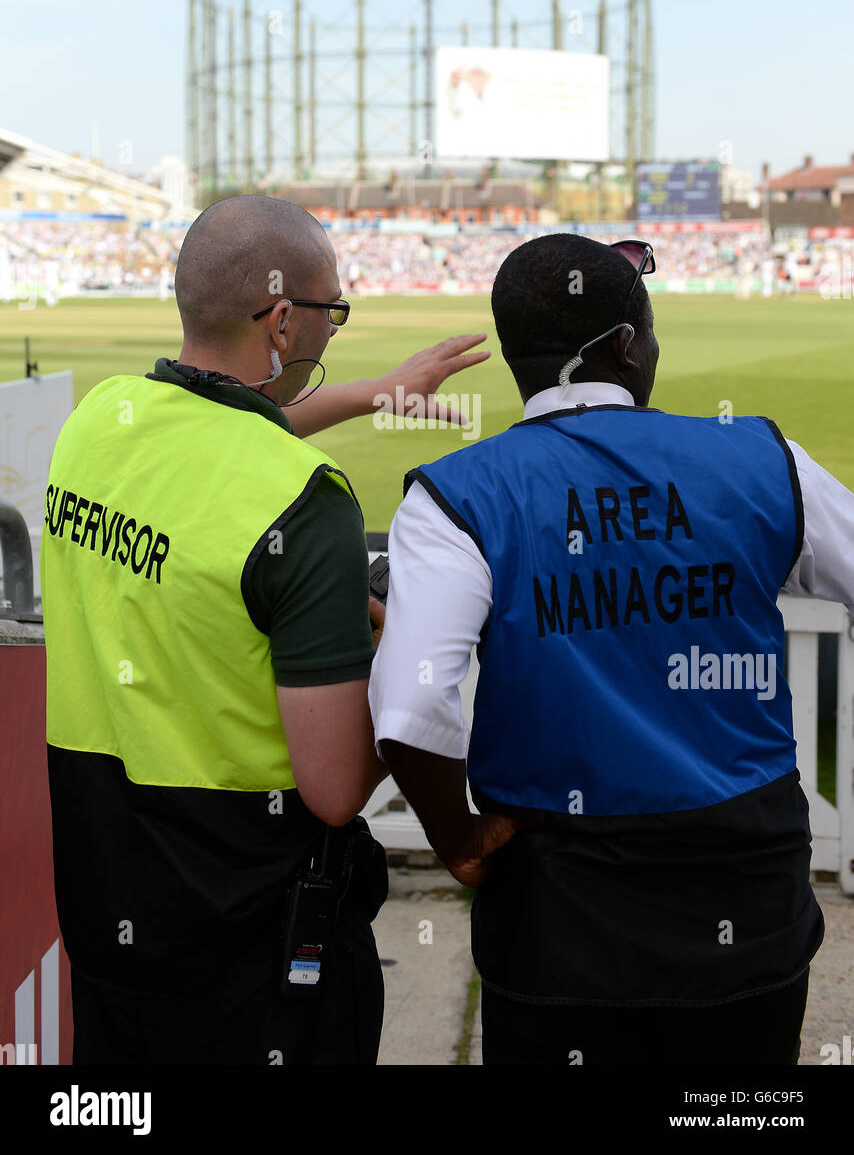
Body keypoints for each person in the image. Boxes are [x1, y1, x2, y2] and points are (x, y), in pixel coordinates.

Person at [369, 232, 854, 1066]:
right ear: (626, 347)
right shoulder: (765, 457)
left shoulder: (454, 498)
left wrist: (457, 841)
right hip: (746, 896)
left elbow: (412, 709)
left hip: (560, 916)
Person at [41, 194, 488, 1065]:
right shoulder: (306, 501)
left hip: (108, 916)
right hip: (255, 946)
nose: (332, 335)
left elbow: (216, 443)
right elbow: (332, 789)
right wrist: (404, 643)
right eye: (330, 313)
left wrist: (369, 396)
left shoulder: (101, 420)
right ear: (282, 321)